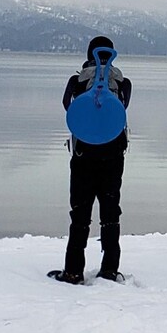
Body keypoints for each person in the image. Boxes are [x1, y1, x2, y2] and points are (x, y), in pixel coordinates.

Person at [52, 35, 131, 284]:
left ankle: (73, 270)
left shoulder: (76, 81)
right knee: (110, 212)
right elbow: (122, 109)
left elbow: (68, 108)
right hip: (113, 156)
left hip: (83, 155)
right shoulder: (123, 83)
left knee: (80, 213)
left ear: (89, 54)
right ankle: (109, 269)